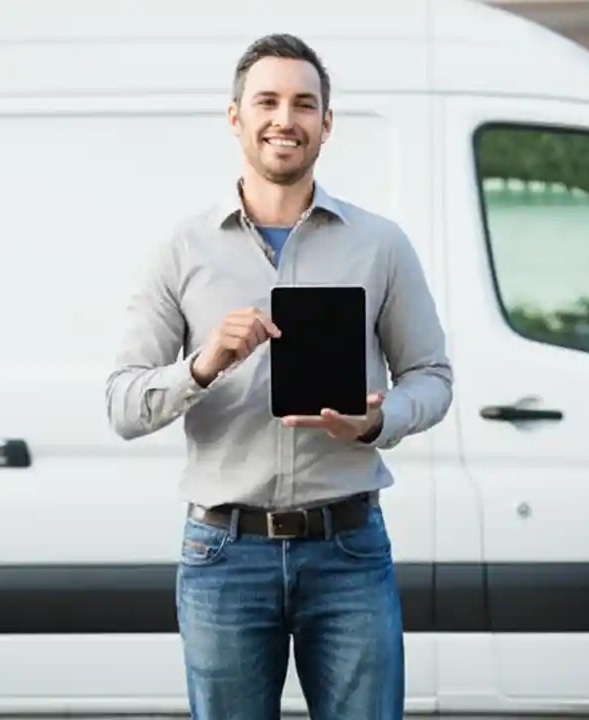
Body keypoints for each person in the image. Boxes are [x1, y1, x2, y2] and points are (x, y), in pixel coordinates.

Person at [104, 32, 453, 720]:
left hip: (349, 551)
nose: (283, 119)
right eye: (266, 101)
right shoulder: (183, 249)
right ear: (235, 118)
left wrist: (377, 421)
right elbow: (122, 404)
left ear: (327, 123)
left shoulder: (380, 245)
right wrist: (202, 366)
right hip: (223, 556)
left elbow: (433, 376)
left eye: (303, 104)